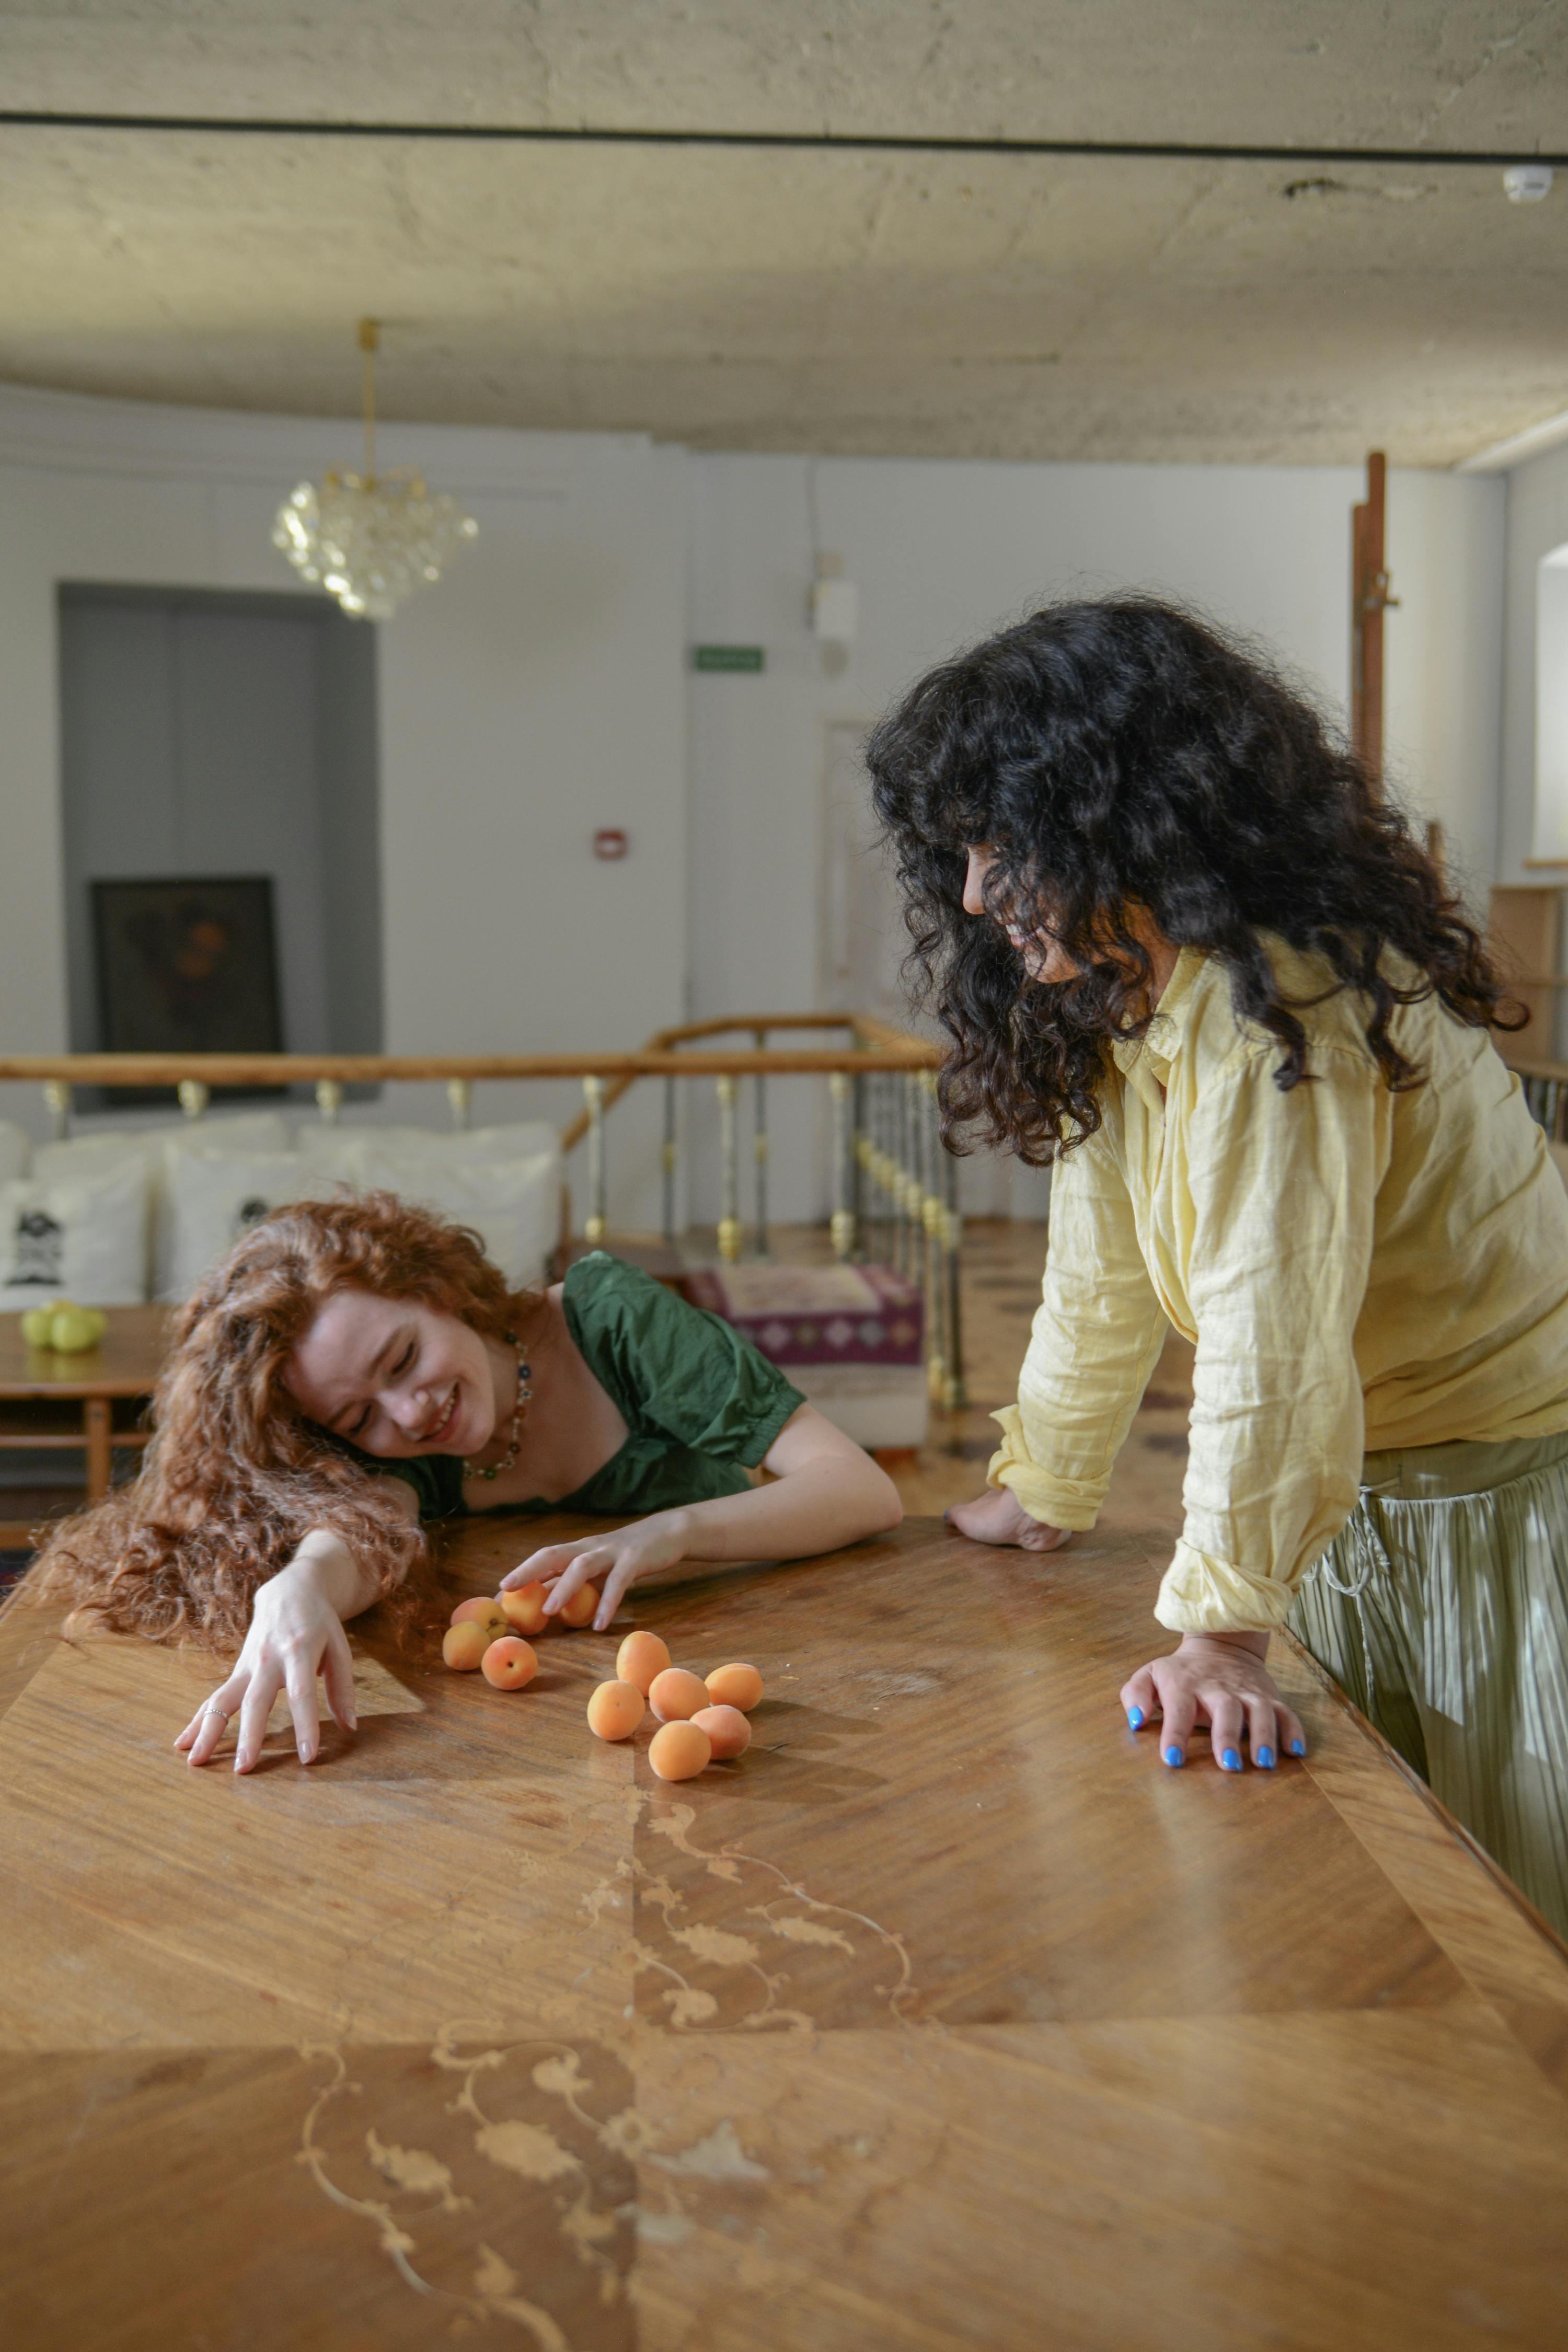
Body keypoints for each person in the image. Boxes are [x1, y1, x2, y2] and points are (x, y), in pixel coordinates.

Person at [867, 592, 1568, 1935]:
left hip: (1489, 1495)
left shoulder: (1281, 1012)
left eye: (1002, 846)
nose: (970, 892)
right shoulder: (1145, 988)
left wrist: (1221, 1634)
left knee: (1505, 1894)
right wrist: (1049, 1478)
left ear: (1119, 823)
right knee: (1384, 1890)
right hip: (1372, 1484)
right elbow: (1103, 1261)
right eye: (961, 852)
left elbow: (1273, 1332)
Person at [21, 1193, 901, 1775]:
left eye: (403, 1357)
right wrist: (296, 1586)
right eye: (362, 1418)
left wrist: (668, 1532)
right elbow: (363, 1534)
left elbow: (861, 1490)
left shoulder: (611, 1319)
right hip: (547, 1748)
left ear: (436, 1287)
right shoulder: (399, 1455)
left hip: (794, 1657)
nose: (409, 1415)